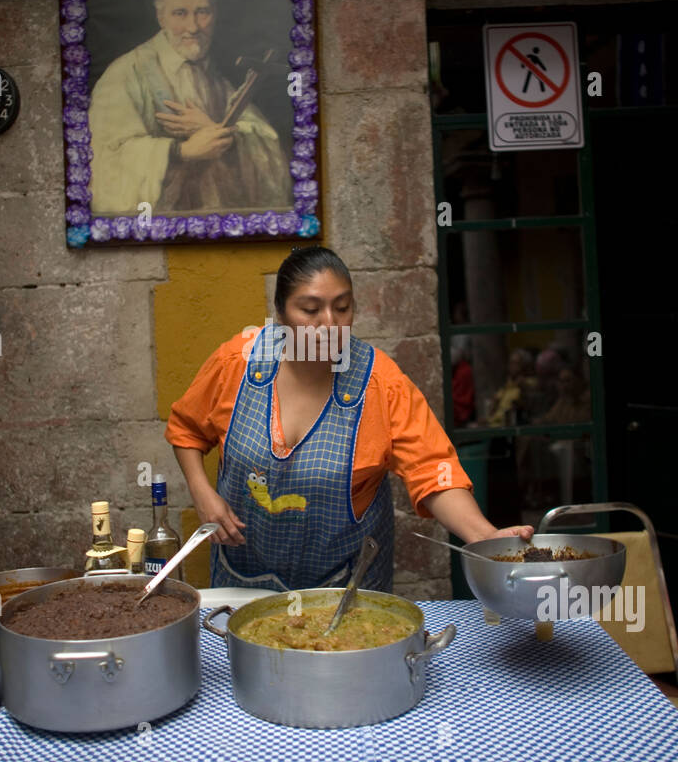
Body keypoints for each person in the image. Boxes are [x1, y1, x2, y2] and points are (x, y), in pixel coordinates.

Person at [165, 246, 535, 593]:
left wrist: (483, 535)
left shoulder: (381, 384)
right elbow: (186, 430)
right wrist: (202, 493)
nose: (330, 323)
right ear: (279, 312)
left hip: (344, 587)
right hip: (244, 577)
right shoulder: (238, 363)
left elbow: (433, 469)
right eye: (310, 310)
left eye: (342, 308)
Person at [88, 0, 292, 215]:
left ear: (215, 16)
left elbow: (268, 142)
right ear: (160, 17)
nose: (193, 27)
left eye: (203, 12)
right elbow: (105, 158)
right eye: (180, 13)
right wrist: (181, 151)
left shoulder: (214, 77)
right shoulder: (125, 74)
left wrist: (217, 133)